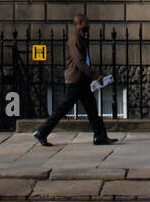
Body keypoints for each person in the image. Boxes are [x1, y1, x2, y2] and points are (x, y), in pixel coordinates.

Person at [33, 12, 117, 146]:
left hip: (82, 80)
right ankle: (42, 131)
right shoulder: (75, 39)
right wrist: (95, 75)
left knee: (92, 109)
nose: (89, 25)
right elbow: (79, 61)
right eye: (86, 23)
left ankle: (100, 136)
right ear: (79, 24)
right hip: (76, 80)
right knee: (64, 108)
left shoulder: (82, 37)